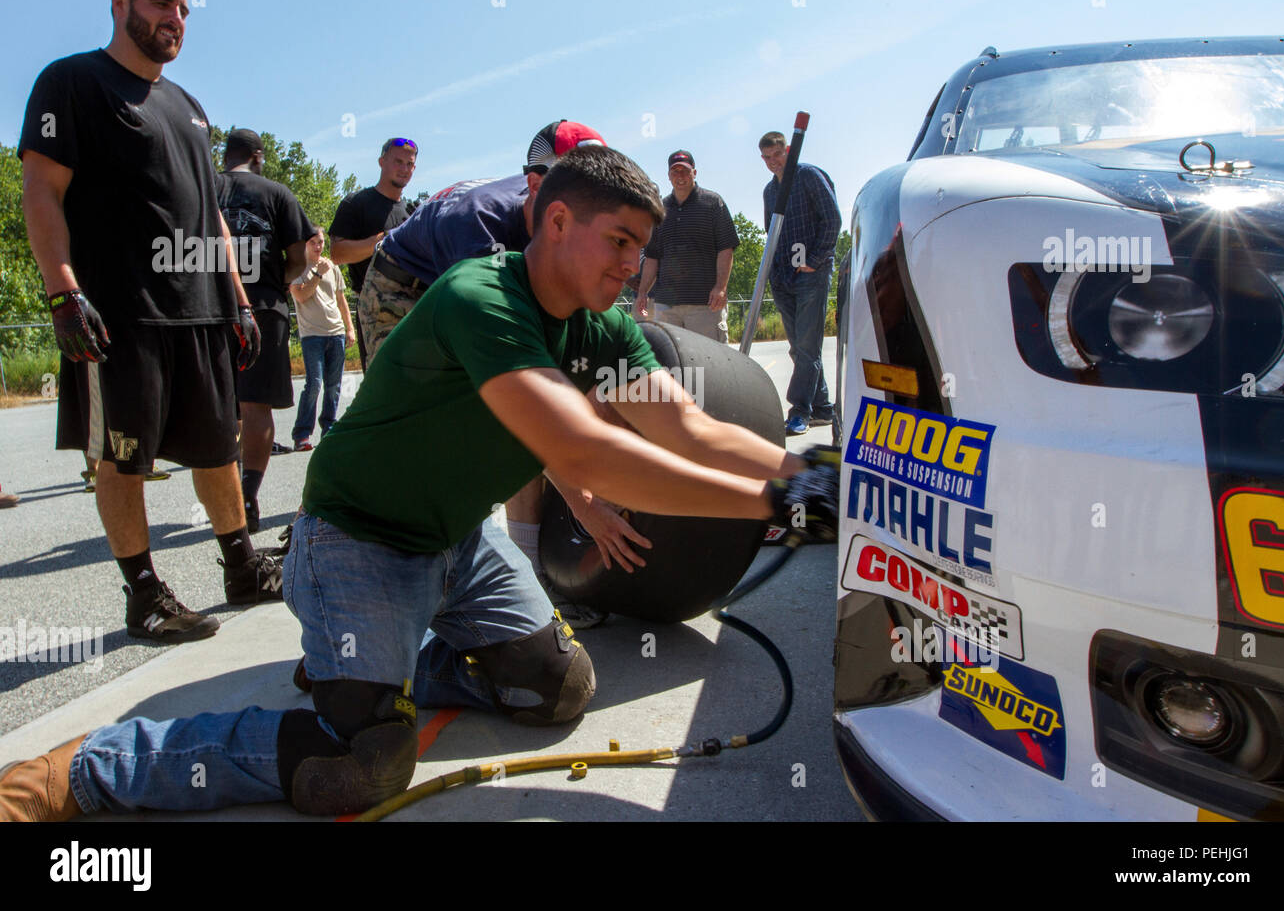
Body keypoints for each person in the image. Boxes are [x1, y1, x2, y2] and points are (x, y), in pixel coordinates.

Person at [0, 146, 839, 821]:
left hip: (457, 540)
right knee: (357, 763)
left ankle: (381, 659)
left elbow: (687, 426)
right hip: (357, 540)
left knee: (559, 689)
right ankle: (85, 771)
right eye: (619, 241)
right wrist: (779, 507)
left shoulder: (601, 327)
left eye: (640, 247)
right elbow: (583, 454)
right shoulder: (483, 297)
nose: (634, 264)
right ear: (555, 221)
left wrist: (802, 470)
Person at [18, 0, 283, 645]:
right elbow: (41, 191)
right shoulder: (72, 82)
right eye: (163, 4)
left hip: (200, 313)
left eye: (184, 9)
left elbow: (212, 217)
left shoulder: (189, 108)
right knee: (122, 457)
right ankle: (144, 595)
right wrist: (62, 294)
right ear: (120, 4)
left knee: (216, 448)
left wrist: (238, 299)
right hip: (117, 313)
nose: (175, 18)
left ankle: (242, 566)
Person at [356, 120, 630, 628]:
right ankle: (369, 571)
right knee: (422, 430)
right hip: (404, 286)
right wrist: (583, 499)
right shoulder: (479, 227)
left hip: (458, 277)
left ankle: (531, 568)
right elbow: (521, 391)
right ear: (538, 187)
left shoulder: (564, 231)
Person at [358, 120, 605, 357]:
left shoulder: (545, 207)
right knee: (409, 390)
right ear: (536, 186)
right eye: (579, 196)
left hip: (445, 273)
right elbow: (488, 330)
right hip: (398, 283)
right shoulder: (479, 222)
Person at [215, 128, 316, 531]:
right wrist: (276, 278)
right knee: (255, 407)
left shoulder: (204, 188)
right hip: (262, 307)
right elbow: (300, 255)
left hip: (211, 308)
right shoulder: (276, 193)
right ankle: (247, 498)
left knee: (217, 407)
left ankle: (224, 502)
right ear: (257, 156)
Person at [759, 131, 841, 436]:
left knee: (807, 348)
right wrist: (774, 274)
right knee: (799, 349)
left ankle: (799, 411)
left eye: (777, 155)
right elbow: (773, 234)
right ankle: (822, 408)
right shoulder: (770, 191)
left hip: (811, 275)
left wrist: (816, 260)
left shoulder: (809, 176)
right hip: (783, 277)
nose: (772, 162)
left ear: (788, 150)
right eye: (766, 158)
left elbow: (832, 219)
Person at [328, 137, 417, 370]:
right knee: (380, 383)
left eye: (409, 164)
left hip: (414, 307)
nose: (404, 169)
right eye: (398, 162)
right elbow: (337, 254)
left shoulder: (412, 212)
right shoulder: (356, 203)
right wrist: (381, 240)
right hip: (375, 308)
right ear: (381, 161)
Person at [635, 150, 739, 342]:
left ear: (694, 173)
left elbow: (726, 248)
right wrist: (642, 293)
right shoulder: (660, 209)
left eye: (685, 171)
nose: (680, 176)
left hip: (705, 304)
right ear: (668, 176)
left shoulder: (713, 203)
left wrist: (721, 287)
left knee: (709, 366)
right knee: (671, 364)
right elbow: (652, 257)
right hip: (667, 307)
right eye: (675, 171)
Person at [288, 227, 353, 450]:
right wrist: (316, 274)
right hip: (312, 336)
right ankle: (302, 434)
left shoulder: (332, 266)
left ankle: (329, 429)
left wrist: (350, 328)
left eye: (321, 242)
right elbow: (301, 295)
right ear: (305, 244)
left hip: (335, 333)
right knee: (314, 384)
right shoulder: (296, 267)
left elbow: (341, 299)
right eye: (314, 242)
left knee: (334, 386)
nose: (319, 246)